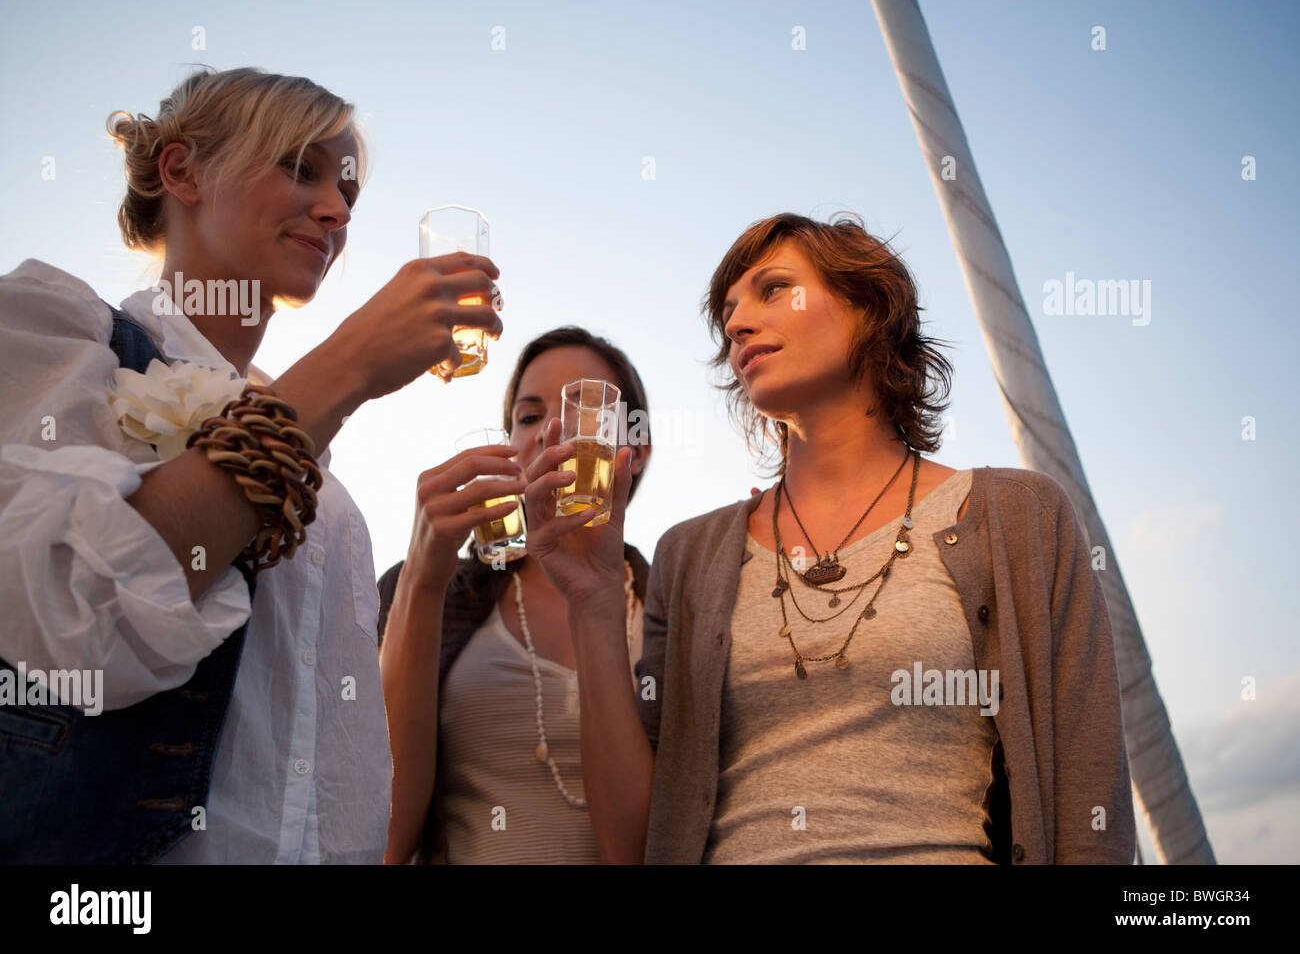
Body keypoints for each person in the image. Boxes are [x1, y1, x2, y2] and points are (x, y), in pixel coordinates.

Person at [521, 212, 1136, 864]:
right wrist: (591, 599)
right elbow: (633, 846)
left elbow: (1087, 805)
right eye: (727, 313)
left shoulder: (1019, 516)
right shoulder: (688, 557)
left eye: (773, 289)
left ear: (867, 303)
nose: (736, 324)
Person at [0, 66, 503, 863]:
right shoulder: (60, 339)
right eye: (300, 169)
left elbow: (338, 771)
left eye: (347, 194)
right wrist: (350, 366)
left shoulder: (332, 497)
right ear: (182, 169)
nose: (337, 212)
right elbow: (74, 612)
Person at [377, 326, 653, 864]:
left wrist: (593, 601)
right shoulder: (438, 592)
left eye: (586, 413)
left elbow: (647, 850)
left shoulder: (674, 601)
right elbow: (380, 836)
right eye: (529, 417)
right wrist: (421, 580)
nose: (551, 431)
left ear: (634, 450)